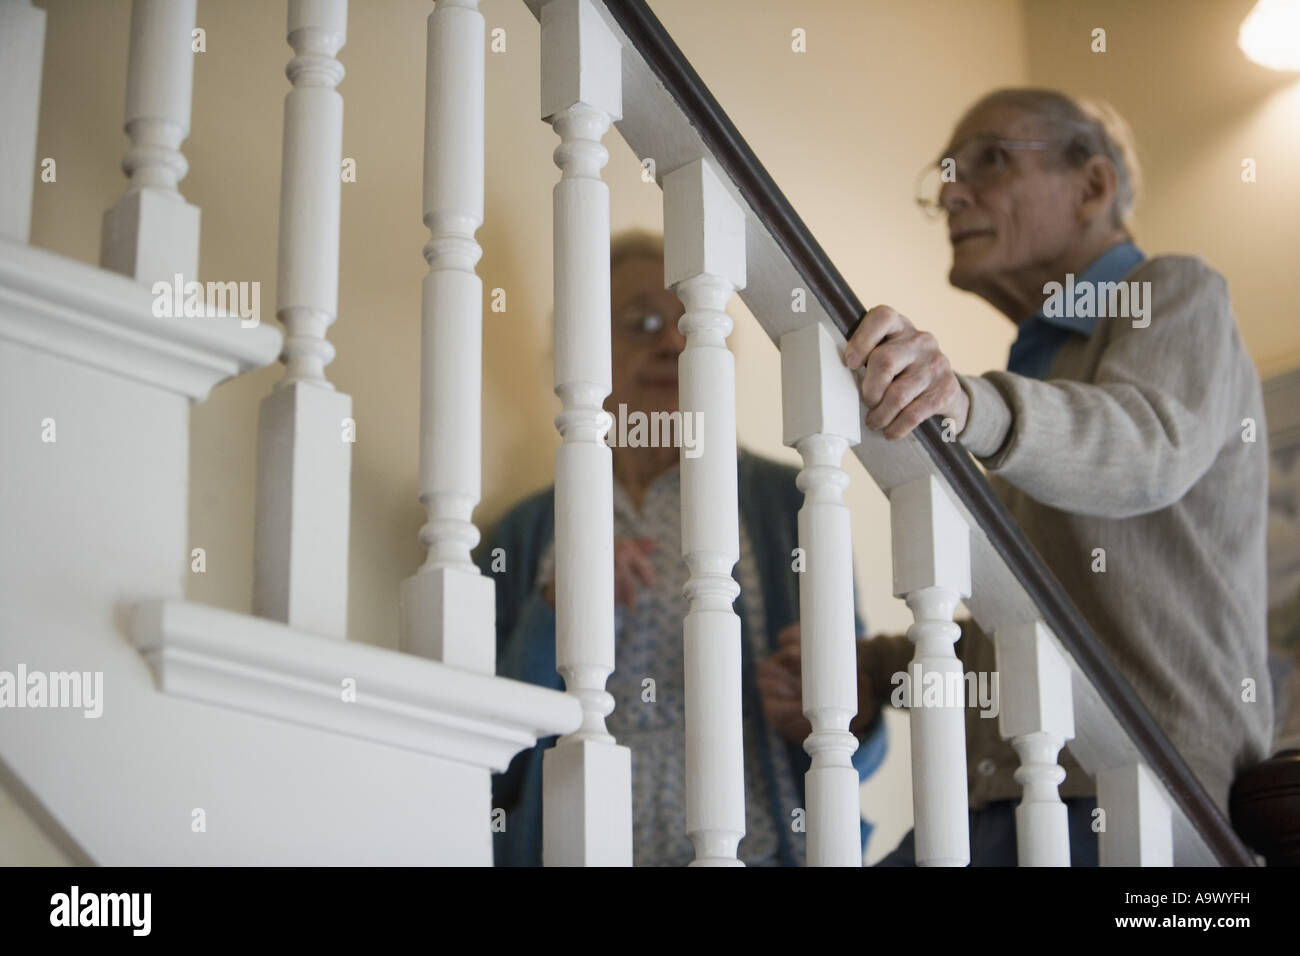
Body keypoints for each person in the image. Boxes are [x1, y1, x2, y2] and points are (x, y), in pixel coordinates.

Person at [784, 87, 1272, 865]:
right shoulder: (1038, 373)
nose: (950, 191)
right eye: (945, 174)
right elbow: (1024, 626)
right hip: (1008, 800)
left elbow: (1146, 446)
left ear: (1093, 187)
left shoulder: (1174, 293)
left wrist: (969, 403)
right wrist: (873, 669)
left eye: (990, 159)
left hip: (1142, 806)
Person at [481, 230, 886, 866]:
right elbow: (485, 761)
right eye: (640, 322)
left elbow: (862, 744)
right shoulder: (522, 536)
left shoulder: (796, 503)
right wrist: (553, 612)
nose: (672, 342)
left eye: (693, 324)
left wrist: (836, 717)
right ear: (576, 353)